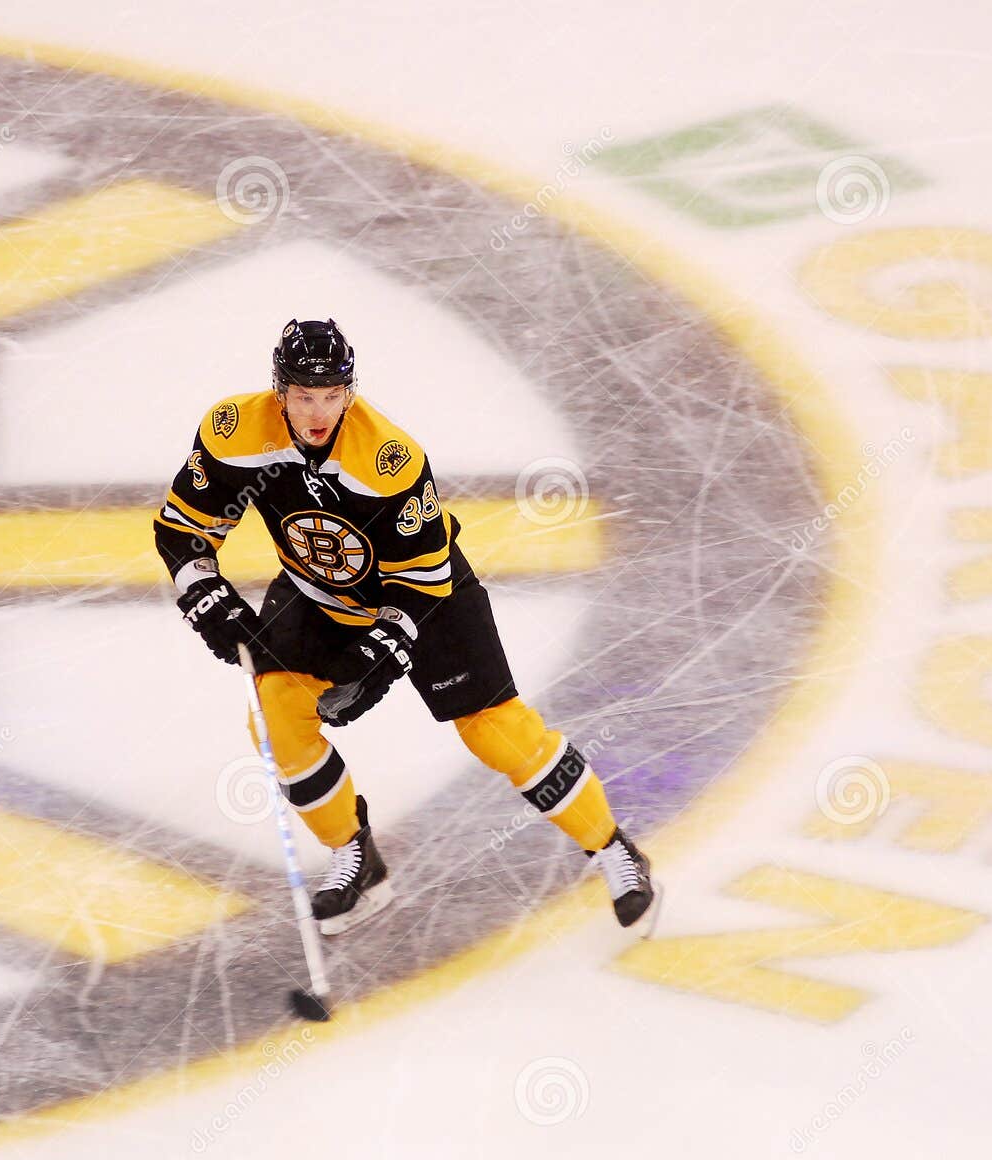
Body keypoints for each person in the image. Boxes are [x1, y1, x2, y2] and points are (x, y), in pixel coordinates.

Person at [154, 318, 655, 935]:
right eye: (304, 396)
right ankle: (356, 858)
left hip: (428, 596)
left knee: (494, 732)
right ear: (278, 388)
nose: (317, 413)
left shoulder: (388, 460)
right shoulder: (233, 433)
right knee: (277, 713)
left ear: (350, 392)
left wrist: (379, 653)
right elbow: (182, 530)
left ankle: (612, 849)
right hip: (316, 593)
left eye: (332, 396)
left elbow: (419, 581)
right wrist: (206, 595)